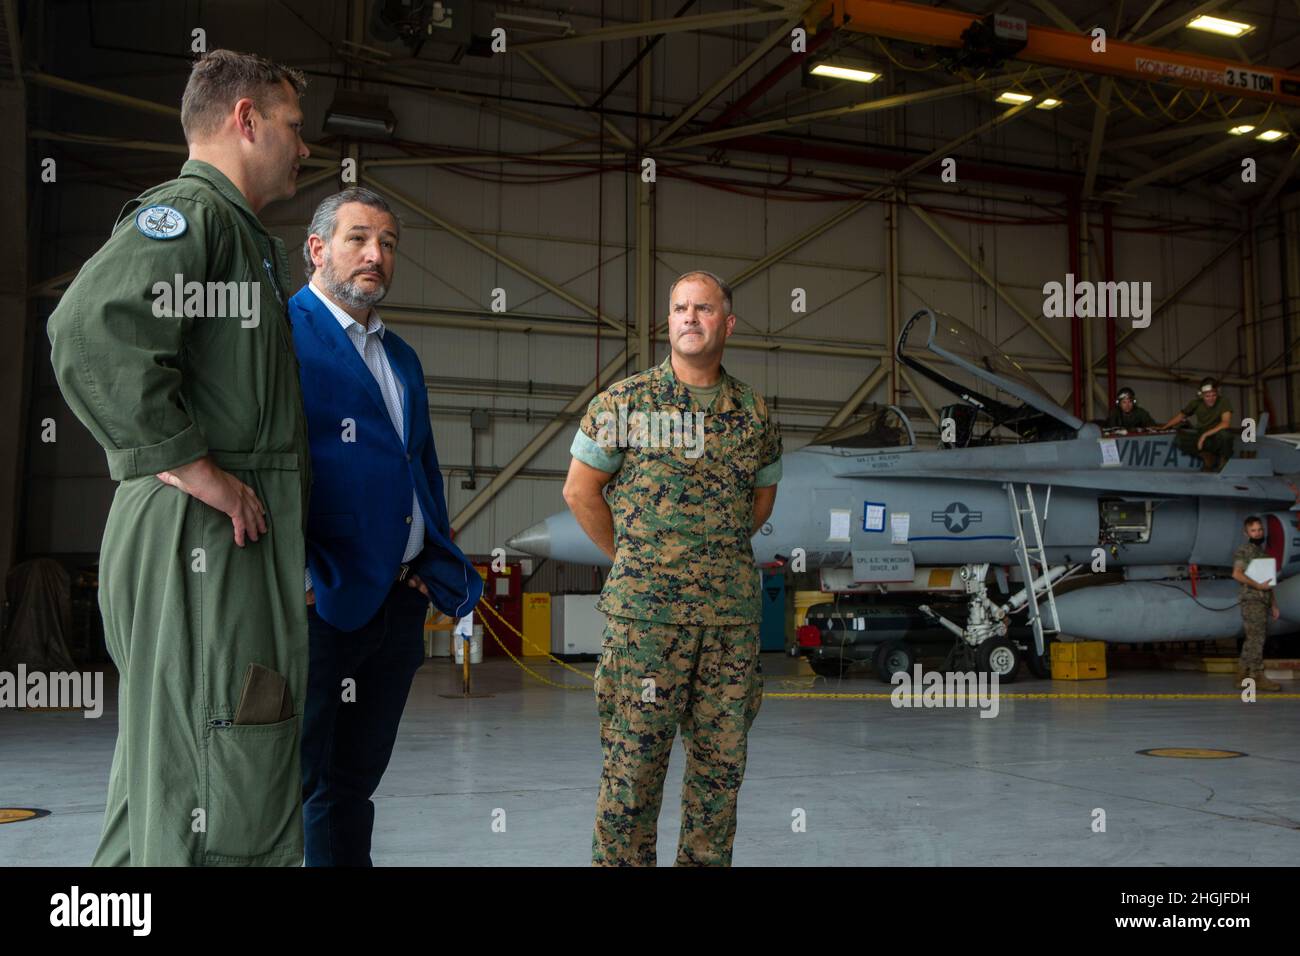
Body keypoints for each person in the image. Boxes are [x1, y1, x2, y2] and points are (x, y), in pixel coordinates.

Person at [46, 50, 312, 865]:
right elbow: (90, 329)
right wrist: (195, 468)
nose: (305, 148)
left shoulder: (242, 236)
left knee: (206, 754)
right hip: (200, 534)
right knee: (213, 764)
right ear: (246, 120)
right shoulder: (188, 215)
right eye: (295, 128)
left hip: (228, 529)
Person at [289, 187, 482, 866]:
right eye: (358, 239)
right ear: (317, 249)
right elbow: (264, 468)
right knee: (299, 783)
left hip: (397, 605)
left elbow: (421, 469)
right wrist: (299, 575)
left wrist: (430, 570)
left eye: (389, 243)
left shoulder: (399, 356)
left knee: (353, 784)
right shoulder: (282, 337)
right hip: (321, 605)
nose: (376, 255)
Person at [563, 270, 782, 866]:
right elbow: (581, 493)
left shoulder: (754, 414)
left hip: (730, 627)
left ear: (726, 324)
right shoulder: (624, 403)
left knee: (720, 777)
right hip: (646, 625)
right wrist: (634, 558)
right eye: (679, 308)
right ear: (668, 321)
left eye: (703, 308)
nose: (689, 317)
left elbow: (760, 503)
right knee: (632, 774)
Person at [1230, 517, 1283, 692]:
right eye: (1254, 530)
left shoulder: (1264, 554)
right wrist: (1257, 586)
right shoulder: (1244, 550)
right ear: (1246, 533)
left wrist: (1274, 604)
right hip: (1252, 600)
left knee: (1252, 639)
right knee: (1257, 639)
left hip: (1263, 601)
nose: (1258, 533)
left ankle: (1241, 675)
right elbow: (1237, 574)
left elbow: (1270, 582)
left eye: (1260, 530)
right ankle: (1257, 676)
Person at [1159, 377, 1234, 471]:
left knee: (1226, 435)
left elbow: (1225, 423)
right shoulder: (1195, 403)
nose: (1211, 399)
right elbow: (1181, 416)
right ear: (1201, 395)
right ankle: (1208, 458)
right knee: (1179, 440)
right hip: (1202, 434)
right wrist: (1165, 427)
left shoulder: (1223, 401)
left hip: (1216, 435)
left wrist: (1205, 435)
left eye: (1213, 395)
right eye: (1207, 396)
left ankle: (1224, 462)